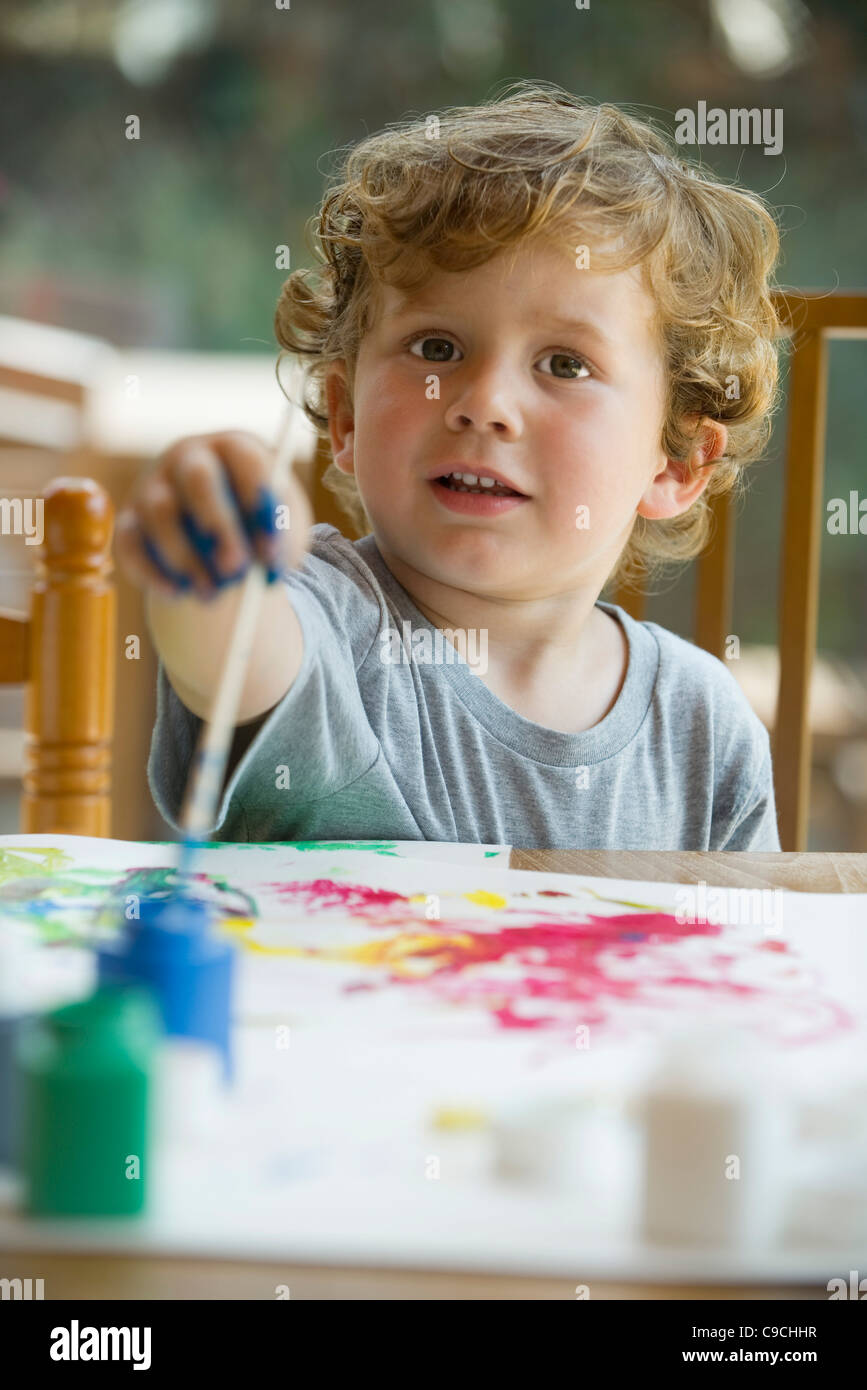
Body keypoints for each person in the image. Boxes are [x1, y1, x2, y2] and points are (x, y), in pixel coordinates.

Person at [117, 82, 784, 850]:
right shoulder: (326, 625)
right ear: (346, 416)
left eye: (564, 364)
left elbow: (743, 960)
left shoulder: (703, 726)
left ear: (674, 463)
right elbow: (234, 648)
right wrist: (215, 555)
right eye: (437, 348)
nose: (483, 402)